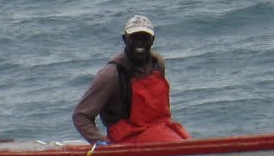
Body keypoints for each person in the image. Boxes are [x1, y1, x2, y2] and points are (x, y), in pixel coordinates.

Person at [72, 14, 191, 144]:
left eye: (144, 38)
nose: (139, 43)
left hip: (160, 129)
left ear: (152, 40)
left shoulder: (157, 63)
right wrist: (102, 143)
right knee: (178, 145)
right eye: (134, 37)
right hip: (127, 136)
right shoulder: (111, 74)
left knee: (187, 141)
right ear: (124, 39)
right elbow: (81, 116)